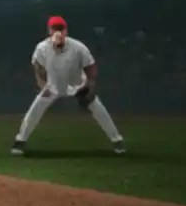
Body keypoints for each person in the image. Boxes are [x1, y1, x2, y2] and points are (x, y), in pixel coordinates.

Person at [11, 15, 126, 156]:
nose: (58, 32)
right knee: (34, 111)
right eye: (55, 29)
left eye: (61, 29)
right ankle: (20, 140)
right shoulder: (42, 48)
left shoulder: (78, 47)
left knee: (99, 110)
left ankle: (117, 140)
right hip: (52, 86)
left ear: (66, 31)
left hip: (78, 85)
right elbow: (37, 66)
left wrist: (90, 84)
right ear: (49, 31)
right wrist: (42, 84)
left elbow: (90, 66)